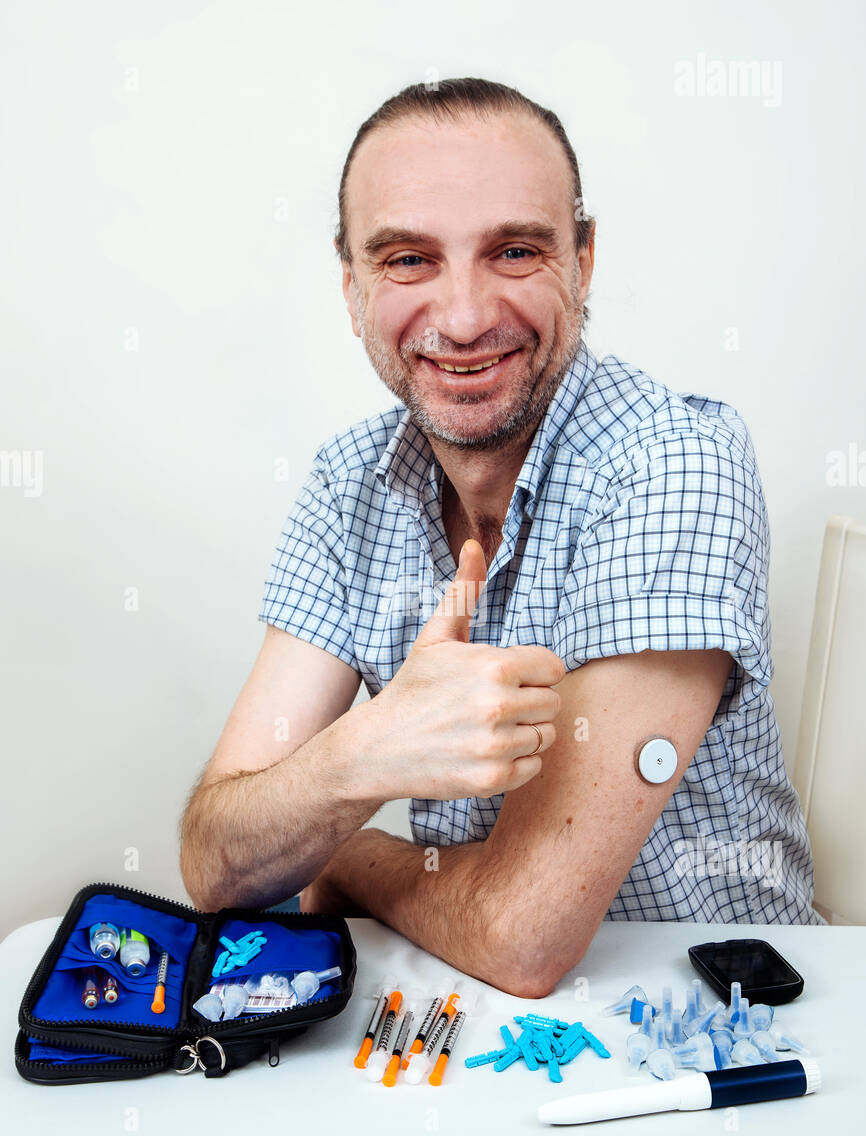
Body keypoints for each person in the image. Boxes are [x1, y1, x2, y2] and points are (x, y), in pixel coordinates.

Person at [180, 78, 820, 998]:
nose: (467, 316)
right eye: (408, 260)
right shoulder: (348, 481)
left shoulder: (677, 463)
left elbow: (525, 937)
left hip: (718, 1026)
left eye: (515, 250)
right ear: (351, 282)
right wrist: (366, 754)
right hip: (459, 1009)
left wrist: (345, 853)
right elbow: (216, 862)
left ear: (584, 260)